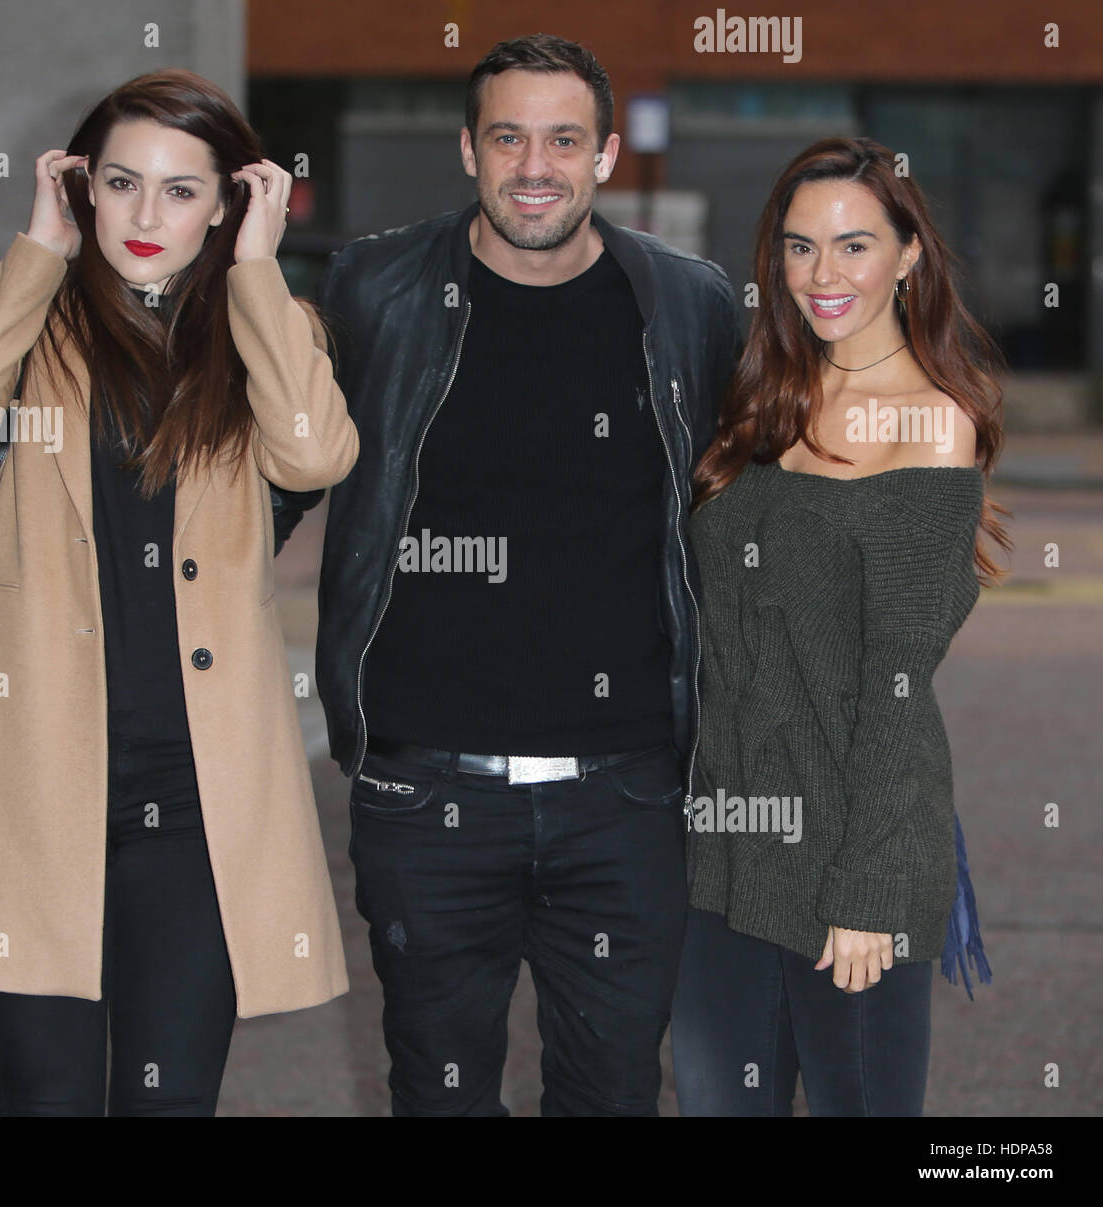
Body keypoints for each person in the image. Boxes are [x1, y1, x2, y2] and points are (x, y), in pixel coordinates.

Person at [0, 69, 358, 1116]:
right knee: (44, 1099)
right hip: (35, 788)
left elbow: (315, 451)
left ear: (228, 203)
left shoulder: (266, 334)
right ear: (82, 188)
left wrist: (257, 272)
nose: (146, 217)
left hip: (196, 800)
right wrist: (36, 253)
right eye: (121, 183)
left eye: (182, 190)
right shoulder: (32, 325)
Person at [312, 34, 741, 1116]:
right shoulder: (375, 288)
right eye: (508, 138)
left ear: (605, 157)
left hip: (628, 793)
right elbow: (269, 479)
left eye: (563, 140)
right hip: (424, 794)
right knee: (439, 1094)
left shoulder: (688, 303)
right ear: (469, 150)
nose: (535, 166)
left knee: (612, 1095)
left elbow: (755, 508)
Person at [671, 136, 1008, 1116]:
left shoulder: (931, 424)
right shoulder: (761, 399)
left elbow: (897, 681)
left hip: (852, 854)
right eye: (800, 246)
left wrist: (865, 891)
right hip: (724, 848)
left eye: (854, 244)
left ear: (908, 255)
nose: (824, 273)